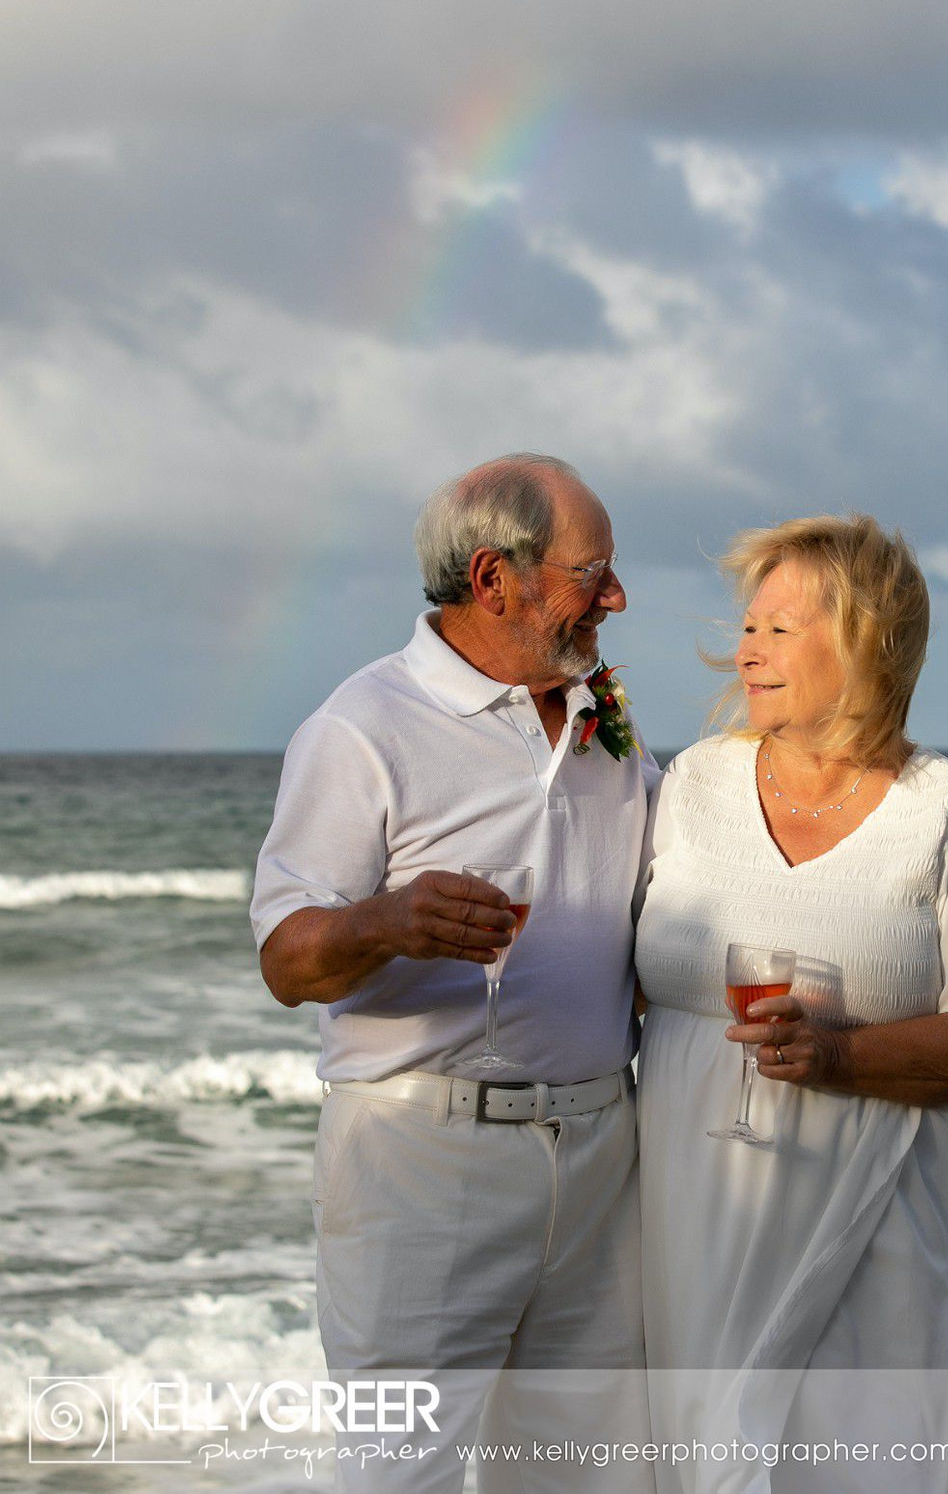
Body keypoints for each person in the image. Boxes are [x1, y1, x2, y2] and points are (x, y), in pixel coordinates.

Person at [251, 453, 658, 1492]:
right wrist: (385, 922)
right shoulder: (362, 726)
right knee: (404, 1472)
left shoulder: (603, 717)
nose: (616, 597)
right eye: (591, 573)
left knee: (591, 1473)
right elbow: (286, 959)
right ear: (493, 578)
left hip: (602, 1154)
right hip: (423, 1163)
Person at [634, 515, 948, 1494]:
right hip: (695, 1213)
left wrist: (841, 1056)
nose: (748, 650)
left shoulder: (947, 807)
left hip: (886, 1219)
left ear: (865, 641)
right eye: (748, 626)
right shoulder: (690, 784)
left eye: (779, 628)